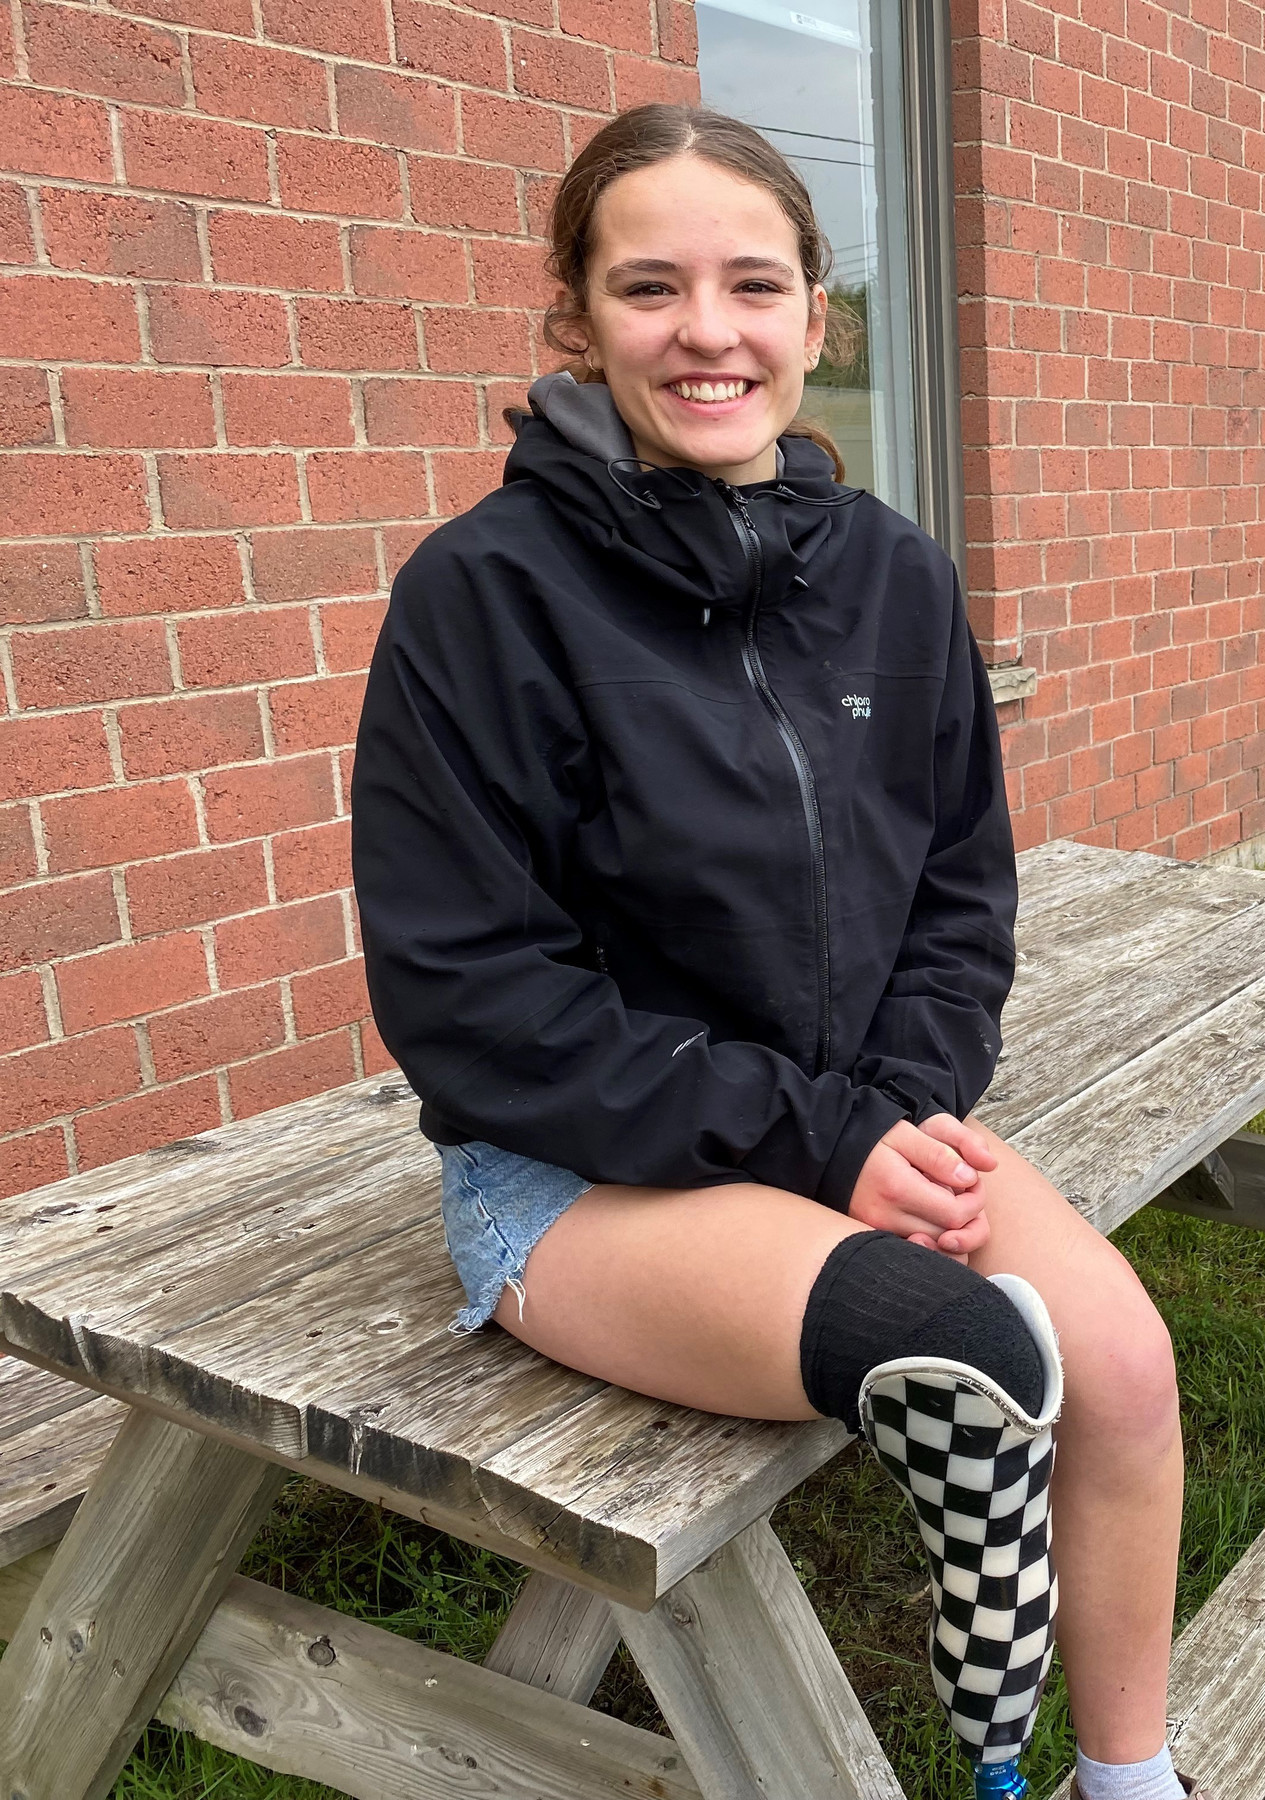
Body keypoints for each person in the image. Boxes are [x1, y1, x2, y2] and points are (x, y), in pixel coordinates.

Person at [351, 102, 1196, 1800]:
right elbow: (473, 1001)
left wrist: (890, 1109)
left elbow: (961, 895)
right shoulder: (482, 596)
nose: (707, 331)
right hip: (575, 1173)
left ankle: (1131, 1780)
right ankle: (994, 1764)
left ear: (822, 316)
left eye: (753, 284)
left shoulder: (898, 578)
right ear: (575, 324)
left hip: (846, 1122)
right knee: (961, 1346)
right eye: (649, 287)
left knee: (1122, 1359)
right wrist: (835, 1143)